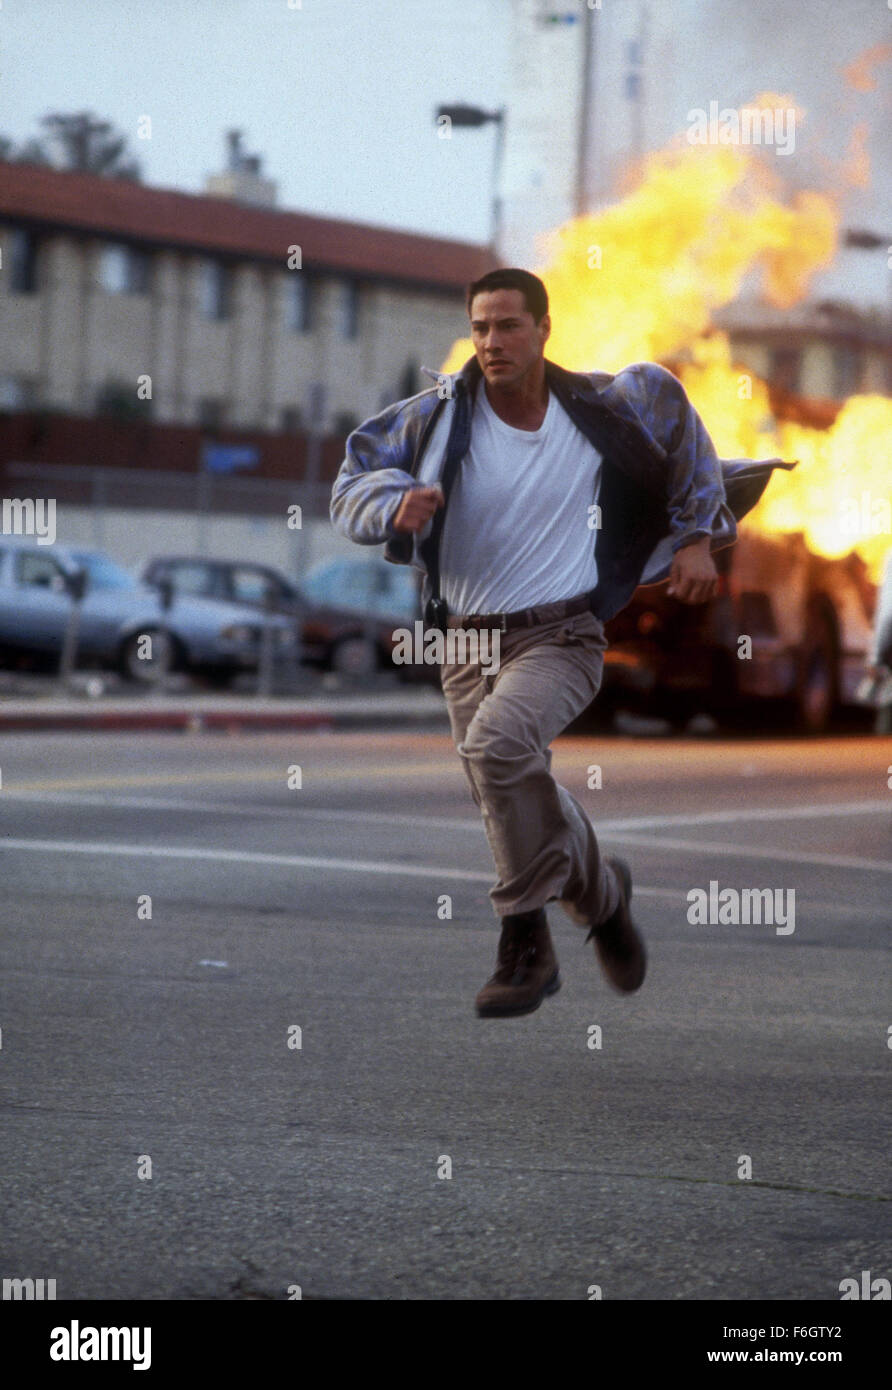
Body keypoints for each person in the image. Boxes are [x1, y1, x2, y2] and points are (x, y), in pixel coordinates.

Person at [330, 267, 787, 1018]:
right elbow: (352, 481)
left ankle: (524, 940)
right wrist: (394, 503)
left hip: (562, 632)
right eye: (480, 327)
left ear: (544, 330)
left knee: (497, 751)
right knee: (511, 788)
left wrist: (698, 537)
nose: (491, 342)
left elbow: (679, 426)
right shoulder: (433, 418)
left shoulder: (606, 404)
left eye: (508, 325)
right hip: (465, 646)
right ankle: (605, 901)